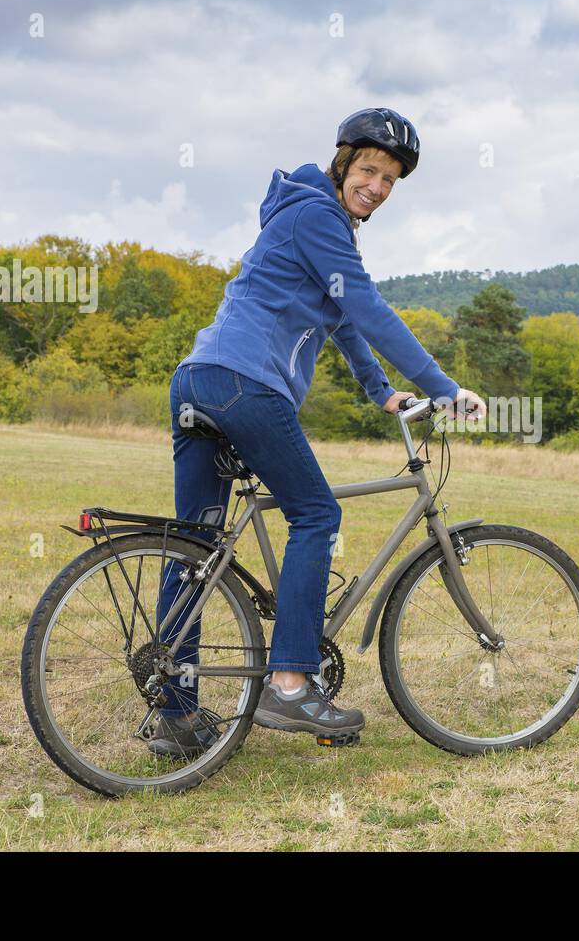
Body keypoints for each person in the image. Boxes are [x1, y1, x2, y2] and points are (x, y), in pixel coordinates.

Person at [149, 107, 486, 757]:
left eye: (390, 180)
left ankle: (177, 714)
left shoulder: (306, 219)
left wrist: (380, 390)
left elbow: (342, 320)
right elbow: (367, 307)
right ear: (342, 161)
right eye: (369, 169)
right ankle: (291, 682)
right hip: (247, 385)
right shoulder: (318, 215)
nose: (377, 187)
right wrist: (444, 387)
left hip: (198, 381)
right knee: (316, 515)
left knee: (194, 546)